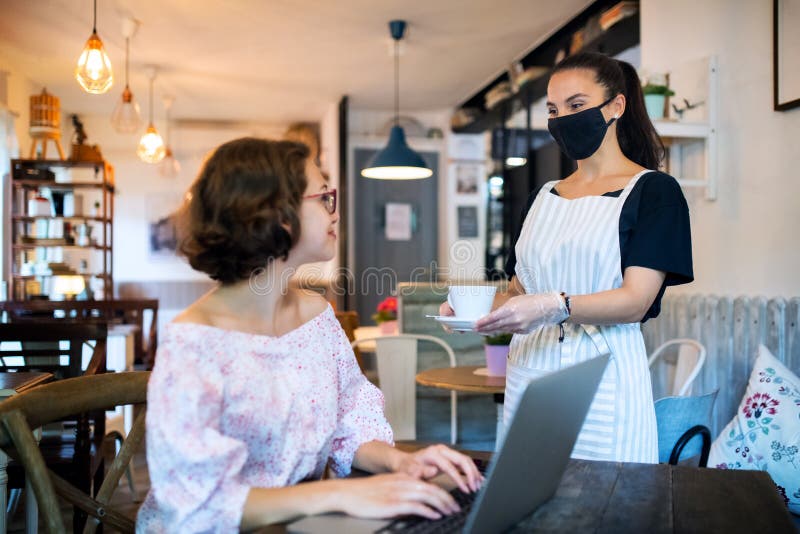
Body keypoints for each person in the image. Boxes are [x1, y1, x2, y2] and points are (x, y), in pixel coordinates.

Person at [137, 138, 482, 532]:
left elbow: (350, 420)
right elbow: (200, 504)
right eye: (324, 198)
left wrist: (399, 462)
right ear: (275, 214)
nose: (335, 212)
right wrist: (339, 495)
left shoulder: (317, 315)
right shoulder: (194, 342)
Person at [441, 52, 693, 463]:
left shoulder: (654, 192)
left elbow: (636, 301)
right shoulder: (541, 198)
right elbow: (518, 292)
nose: (563, 119)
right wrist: (478, 312)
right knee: (529, 503)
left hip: (603, 380)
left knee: (606, 508)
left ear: (616, 106)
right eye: (554, 110)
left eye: (577, 105)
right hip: (529, 376)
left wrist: (554, 306)